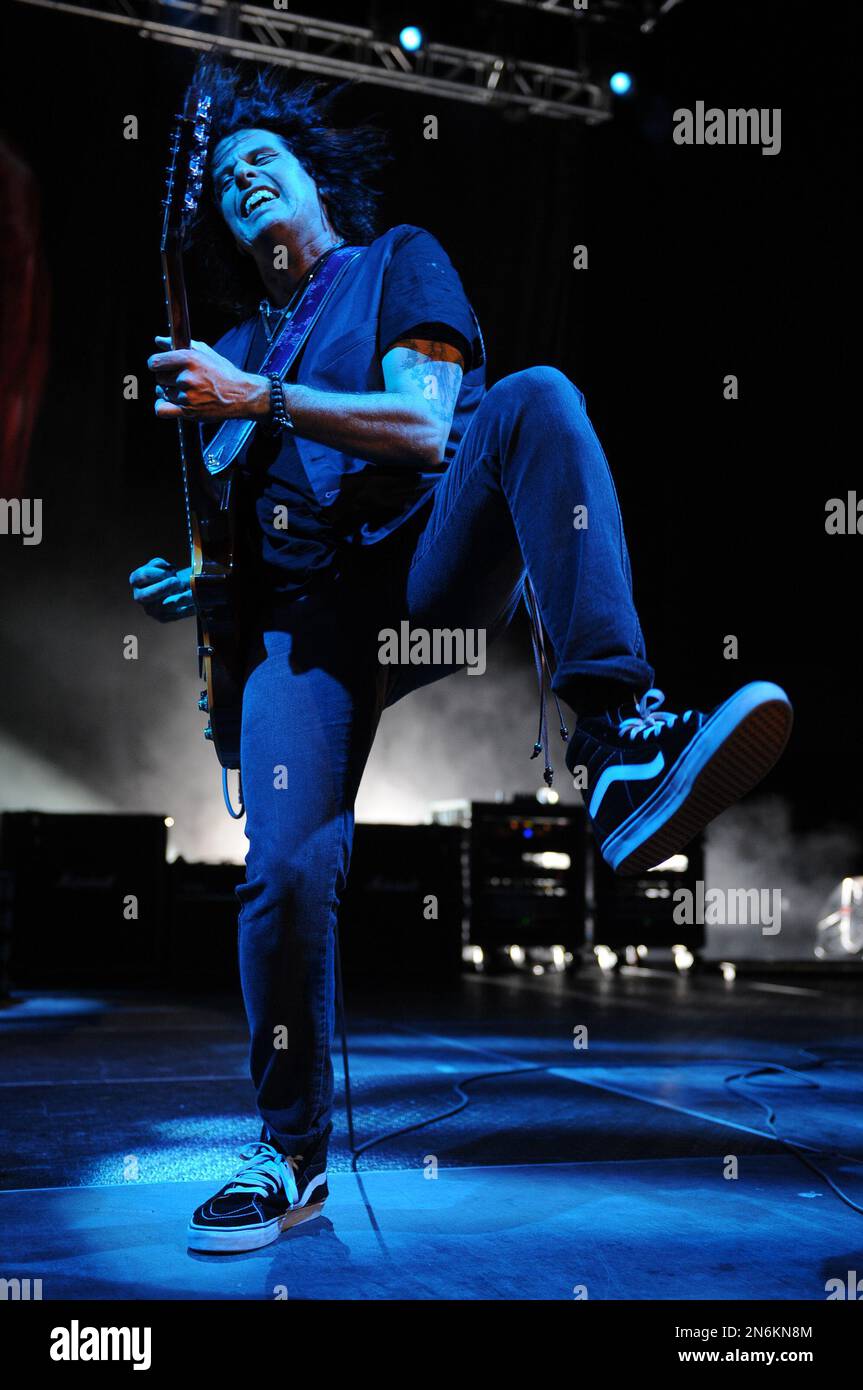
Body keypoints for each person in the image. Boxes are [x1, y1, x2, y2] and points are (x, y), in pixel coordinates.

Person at [130, 63, 792, 1253]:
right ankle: (285, 1157)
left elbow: (429, 430)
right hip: (299, 631)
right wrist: (205, 578)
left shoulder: (392, 264)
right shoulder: (229, 340)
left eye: (261, 161)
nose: (241, 180)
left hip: (416, 570)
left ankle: (618, 741)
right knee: (282, 873)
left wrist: (259, 394)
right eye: (223, 181)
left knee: (533, 397)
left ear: (313, 183)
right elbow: (240, 533)